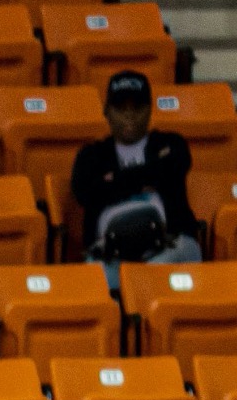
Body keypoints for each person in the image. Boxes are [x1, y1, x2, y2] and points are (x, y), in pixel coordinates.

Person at [72, 69, 201, 288]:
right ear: (107, 112)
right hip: (111, 254)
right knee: (94, 277)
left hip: (169, 246)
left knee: (177, 259)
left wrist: (114, 181)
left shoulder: (171, 143)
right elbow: (84, 192)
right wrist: (147, 176)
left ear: (150, 110)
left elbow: (175, 166)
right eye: (121, 108)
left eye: (137, 107)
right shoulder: (91, 155)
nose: (129, 115)